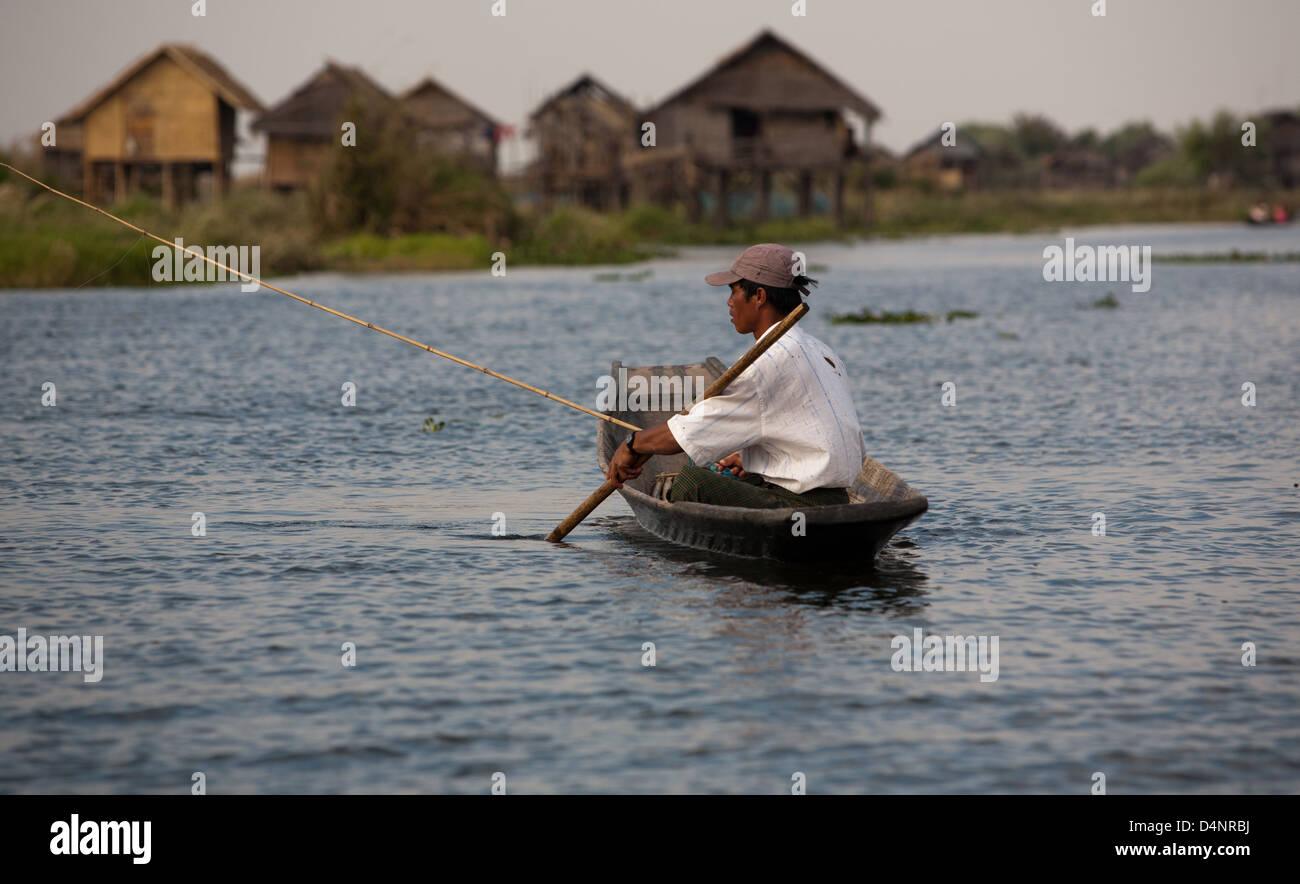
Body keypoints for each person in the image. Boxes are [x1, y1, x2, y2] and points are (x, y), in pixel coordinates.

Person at [605, 243, 866, 509]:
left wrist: (633, 445)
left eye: (734, 291)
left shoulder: (764, 364)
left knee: (690, 482)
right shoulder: (822, 351)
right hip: (840, 499)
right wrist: (751, 459)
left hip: (802, 505)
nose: (729, 302)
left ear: (760, 296)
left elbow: (688, 434)